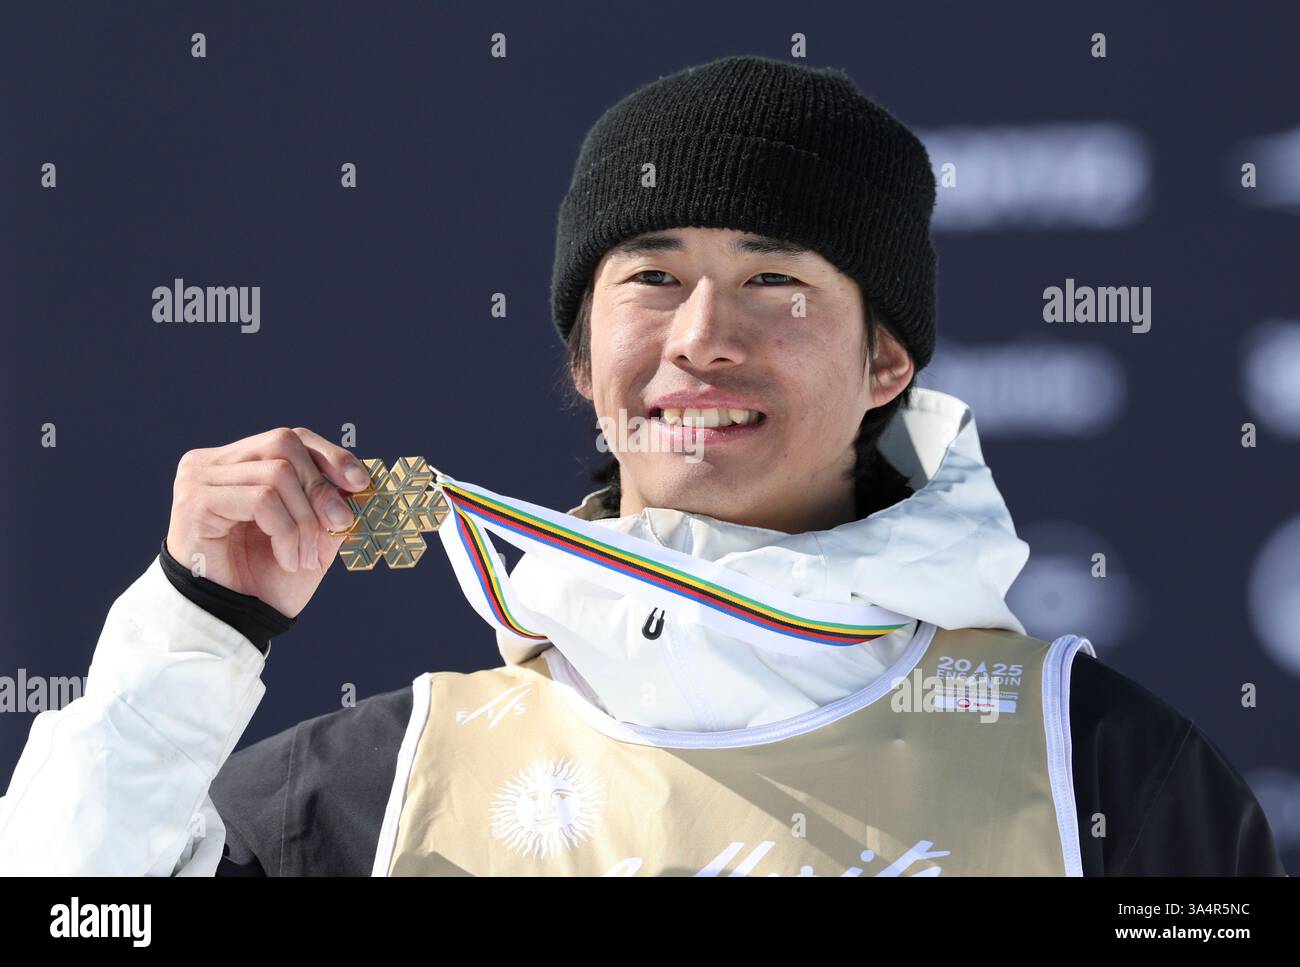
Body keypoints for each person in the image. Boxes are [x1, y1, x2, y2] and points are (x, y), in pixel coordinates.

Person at [0, 55, 1284, 877]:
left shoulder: (1099, 773)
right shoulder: (383, 788)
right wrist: (193, 625)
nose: (700, 339)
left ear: (888, 362)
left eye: (774, 279)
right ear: (581, 360)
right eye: (651, 278)